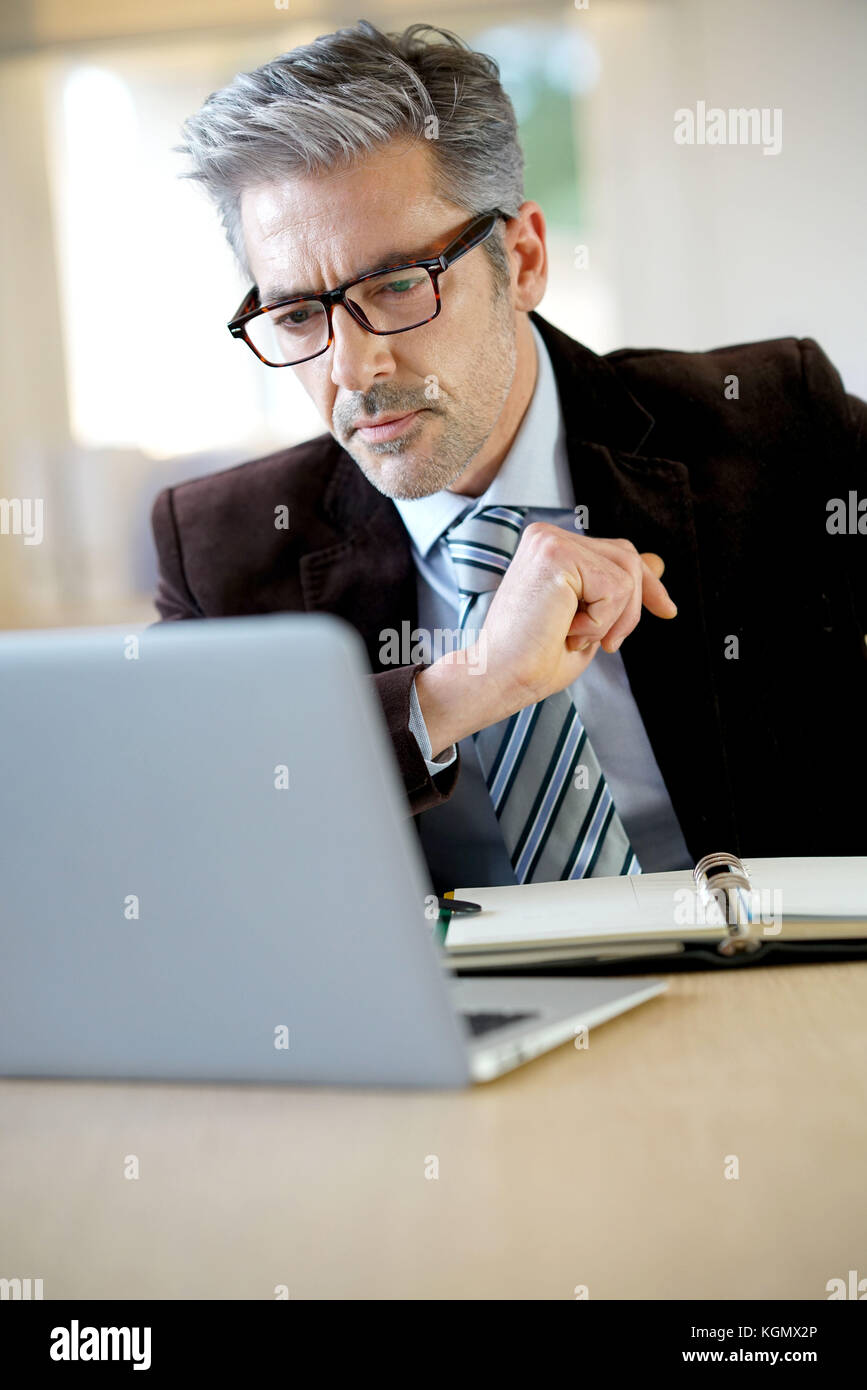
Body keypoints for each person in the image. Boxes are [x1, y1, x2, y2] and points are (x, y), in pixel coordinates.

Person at [151, 20, 866, 892]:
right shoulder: (222, 547)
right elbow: (166, 818)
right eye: (299, 314)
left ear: (521, 260)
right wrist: (463, 689)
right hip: (454, 1021)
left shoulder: (780, 426)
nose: (352, 368)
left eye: (399, 285)